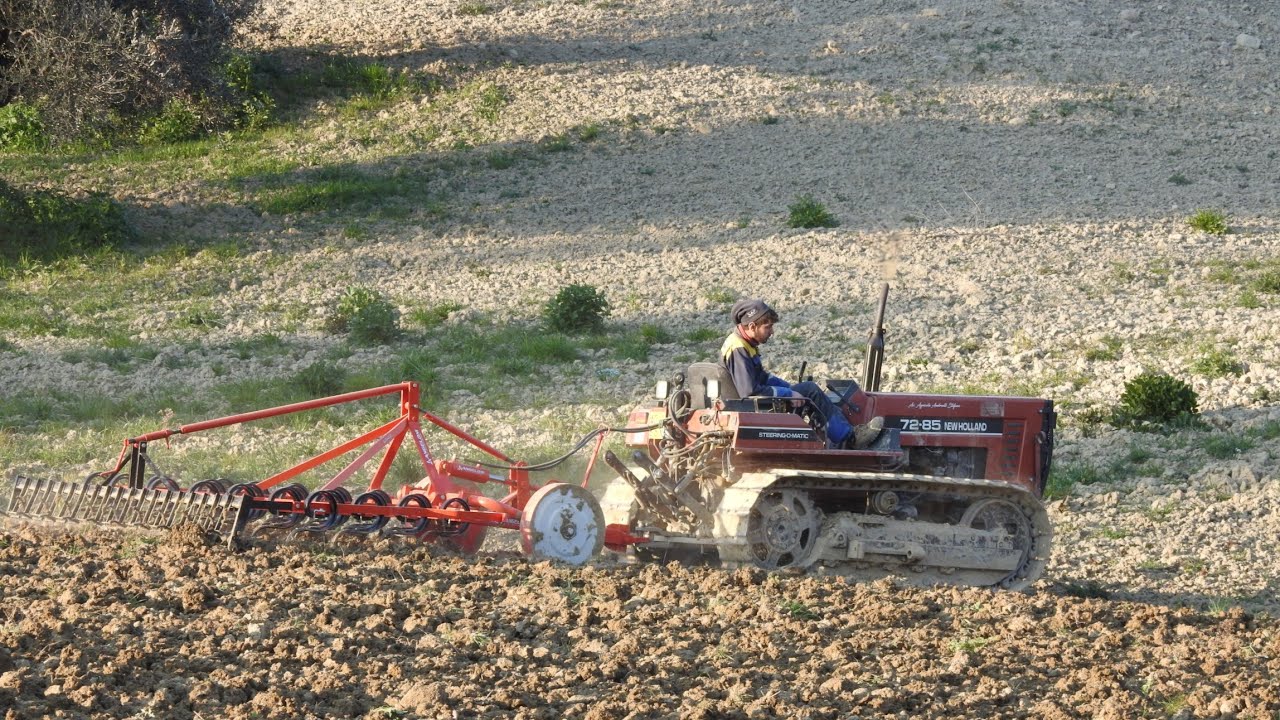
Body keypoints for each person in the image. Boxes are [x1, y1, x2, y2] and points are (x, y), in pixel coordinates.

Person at [719, 298, 884, 449]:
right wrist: (789, 393)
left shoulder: (744, 344)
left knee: (805, 390)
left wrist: (790, 388)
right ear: (752, 326)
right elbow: (750, 391)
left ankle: (831, 436)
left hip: (750, 401)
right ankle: (850, 439)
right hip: (751, 405)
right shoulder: (738, 349)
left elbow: (762, 378)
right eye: (767, 327)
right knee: (811, 390)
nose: (772, 332)